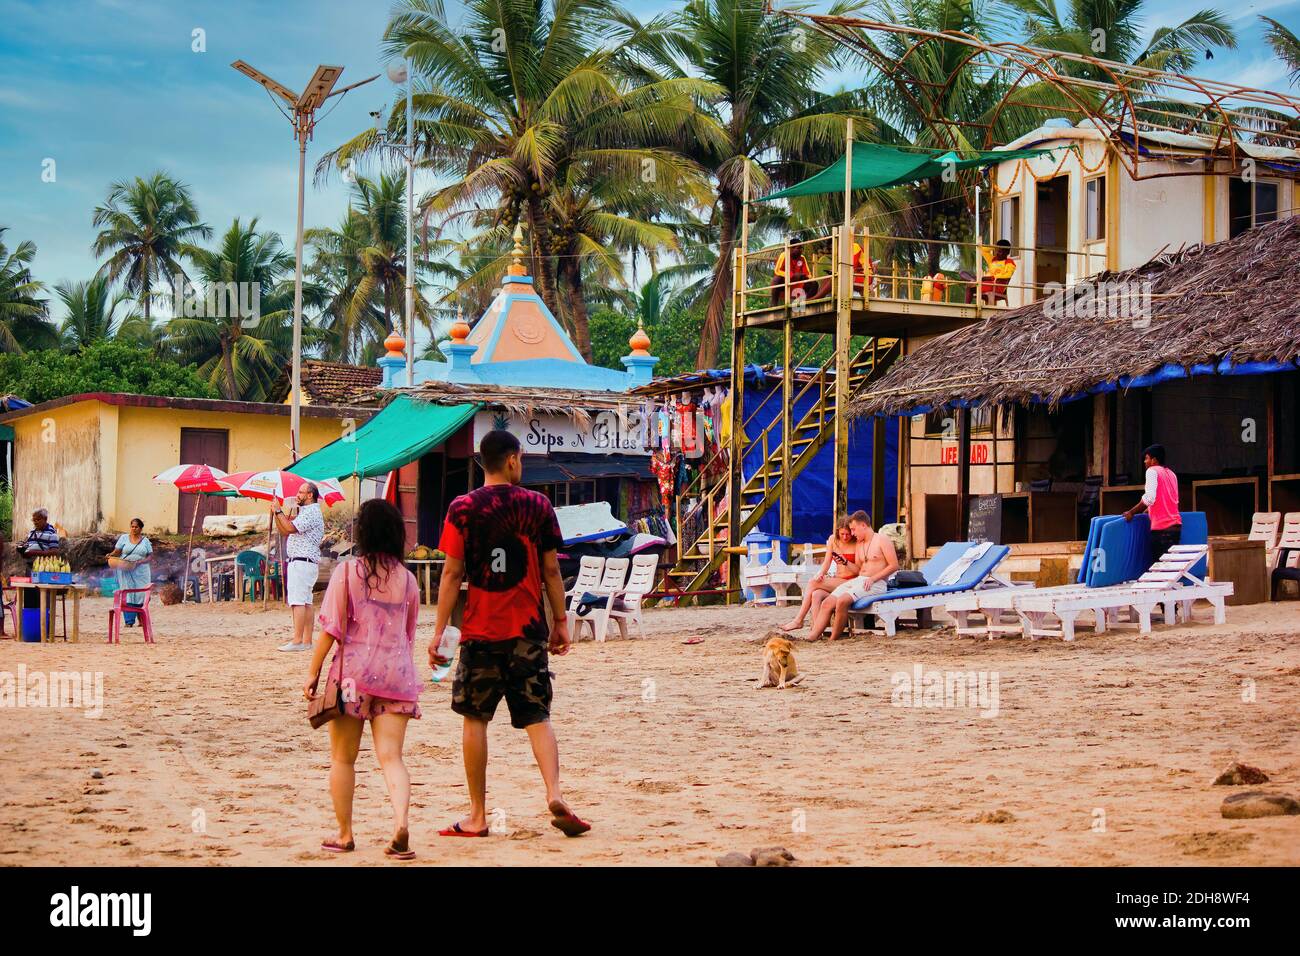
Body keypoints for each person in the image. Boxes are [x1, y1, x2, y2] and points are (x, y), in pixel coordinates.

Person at [432, 429, 590, 839]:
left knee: (474, 720)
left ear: (484, 462)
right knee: (538, 716)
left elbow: (451, 573)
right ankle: (554, 792)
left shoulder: (462, 508)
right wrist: (559, 621)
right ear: (513, 459)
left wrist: (439, 632)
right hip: (527, 633)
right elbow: (552, 570)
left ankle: (477, 814)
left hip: (480, 633)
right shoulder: (537, 505)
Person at [303, 498, 422, 859]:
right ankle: (401, 823)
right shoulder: (409, 580)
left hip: (351, 677)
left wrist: (312, 672)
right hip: (396, 676)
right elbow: (409, 633)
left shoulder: (347, 572)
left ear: (363, 533)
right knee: (392, 759)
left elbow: (331, 630)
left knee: (343, 759)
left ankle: (344, 834)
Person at [806, 511, 899, 641]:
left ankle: (833, 639)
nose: (853, 533)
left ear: (863, 525)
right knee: (827, 603)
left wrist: (873, 578)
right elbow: (858, 569)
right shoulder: (860, 543)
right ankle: (812, 637)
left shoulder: (882, 540)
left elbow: (894, 565)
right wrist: (844, 562)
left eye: (854, 529)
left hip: (876, 583)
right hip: (859, 581)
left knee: (842, 600)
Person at [778, 519, 860, 632]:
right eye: (842, 534)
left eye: (848, 534)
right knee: (816, 594)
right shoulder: (833, 539)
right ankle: (817, 630)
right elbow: (827, 562)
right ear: (837, 532)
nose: (845, 537)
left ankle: (798, 620)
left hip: (851, 581)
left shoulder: (857, 542)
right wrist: (821, 574)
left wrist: (845, 561)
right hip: (837, 580)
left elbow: (859, 571)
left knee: (812, 582)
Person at [273, 482, 324, 652]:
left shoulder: (311, 512)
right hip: (304, 562)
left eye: (301, 492)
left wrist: (279, 511)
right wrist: (276, 514)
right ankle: (306, 640)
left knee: (297, 602)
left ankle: (297, 640)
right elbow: (284, 530)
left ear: (310, 495)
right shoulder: (307, 512)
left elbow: (288, 528)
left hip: (302, 562)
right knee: (306, 602)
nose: (297, 495)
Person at [1123, 443, 1181, 568]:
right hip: (1176, 528)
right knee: (1171, 573)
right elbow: (1172, 499)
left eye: (1146, 458)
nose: (1145, 462)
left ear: (1154, 460)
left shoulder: (1151, 471)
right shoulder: (1172, 474)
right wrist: (1149, 510)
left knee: (1159, 574)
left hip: (1162, 531)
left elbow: (1149, 498)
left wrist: (1131, 512)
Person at [107, 518, 152, 627]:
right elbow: (117, 551)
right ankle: (129, 621)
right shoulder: (123, 538)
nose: (134, 529)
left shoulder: (145, 541)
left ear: (141, 528)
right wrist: (110, 555)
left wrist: (141, 561)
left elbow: (150, 556)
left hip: (142, 571)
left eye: (136, 527)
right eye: (132, 526)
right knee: (127, 593)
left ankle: (141, 618)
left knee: (141, 594)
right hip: (125, 570)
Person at [965, 239, 1016, 304]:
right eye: (996, 250)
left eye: (1000, 251)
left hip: (996, 286)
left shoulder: (1009, 262)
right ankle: (972, 280)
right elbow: (982, 249)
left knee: (970, 287)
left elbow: (1008, 275)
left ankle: (974, 282)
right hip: (984, 282)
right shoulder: (993, 259)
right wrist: (994, 246)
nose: (997, 253)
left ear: (1007, 253)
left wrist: (992, 277)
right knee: (962, 273)